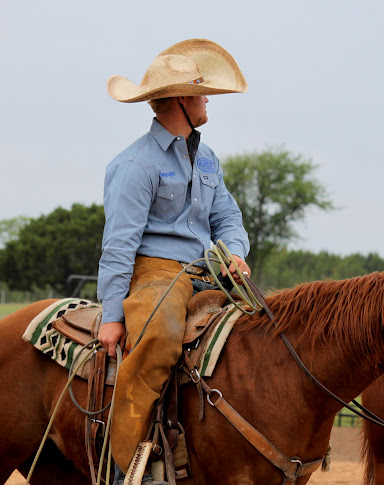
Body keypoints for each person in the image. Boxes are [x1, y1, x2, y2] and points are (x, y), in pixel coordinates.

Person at [97, 39, 251, 481]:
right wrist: (112, 315)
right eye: (202, 93)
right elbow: (119, 245)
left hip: (207, 272)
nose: (208, 101)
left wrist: (235, 254)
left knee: (270, 326)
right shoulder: (134, 165)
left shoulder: (207, 159)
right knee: (160, 337)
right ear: (182, 99)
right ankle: (129, 464)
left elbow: (229, 219)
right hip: (155, 271)